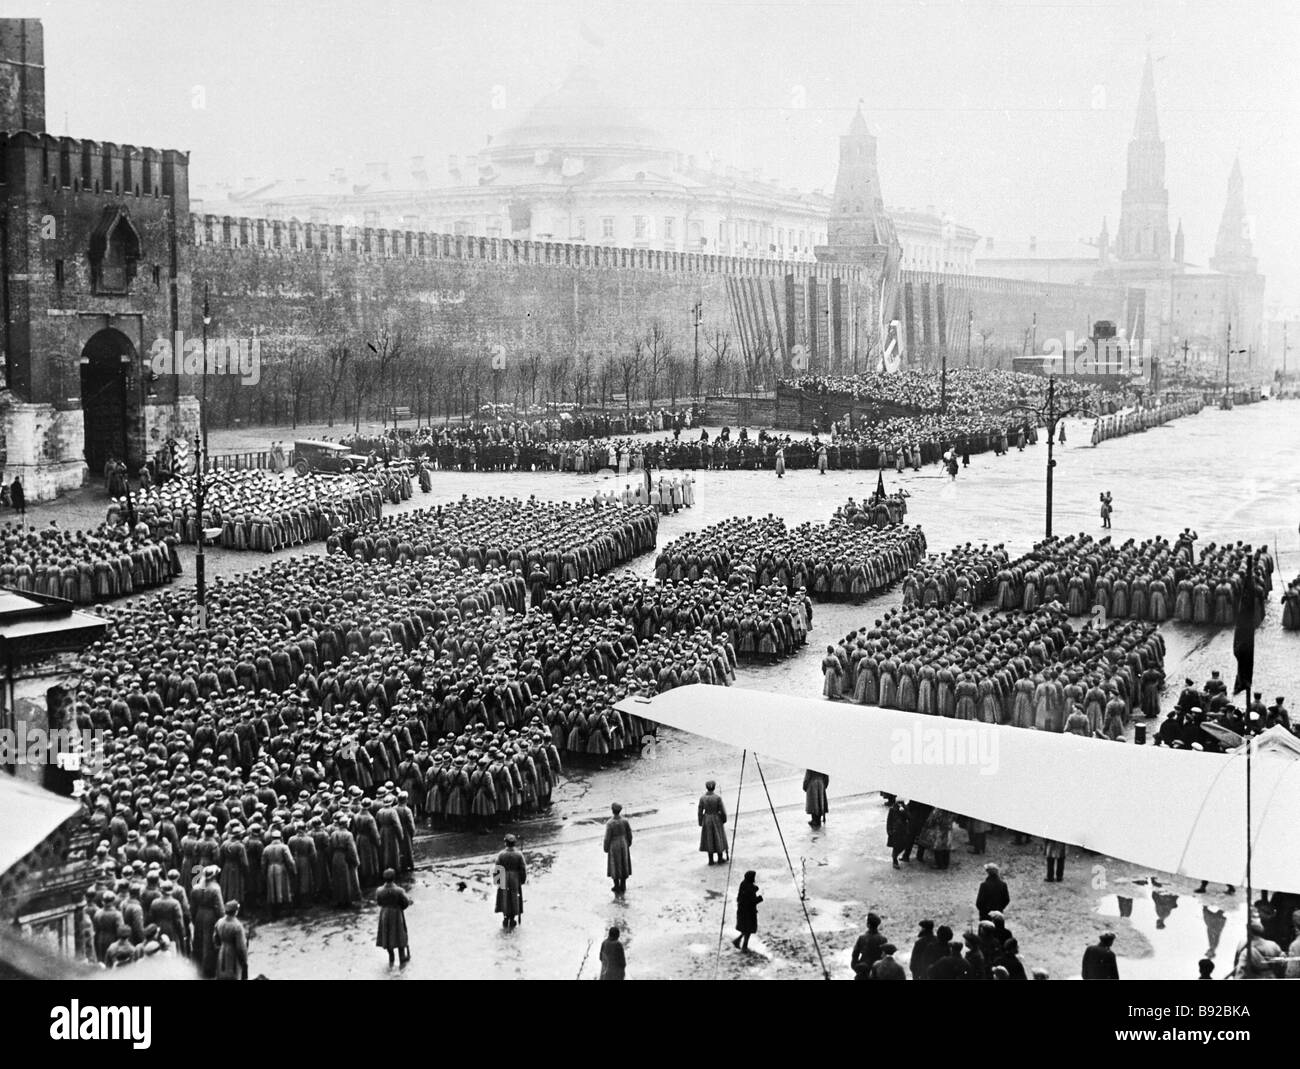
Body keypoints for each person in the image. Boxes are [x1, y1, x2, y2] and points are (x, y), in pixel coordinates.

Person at [376, 868, 412, 967]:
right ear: (394, 878)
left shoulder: (379, 890)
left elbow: (378, 902)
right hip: (396, 914)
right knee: (400, 935)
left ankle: (391, 960)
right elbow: (405, 903)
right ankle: (402, 960)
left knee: (387, 936)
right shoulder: (399, 890)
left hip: (384, 914)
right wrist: (400, 907)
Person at [494, 833, 527, 929]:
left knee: (504, 898)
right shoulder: (519, 854)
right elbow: (523, 869)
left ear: (505, 843)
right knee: (514, 898)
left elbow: (497, 868)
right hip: (515, 879)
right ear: (514, 843)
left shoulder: (501, 855)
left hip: (503, 877)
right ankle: (512, 918)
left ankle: (505, 917)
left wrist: (497, 881)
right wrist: (522, 880)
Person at [214, 900, 249, 980]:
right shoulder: (237, 926)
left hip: (221, 954)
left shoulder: (219, 922)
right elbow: (241, 948)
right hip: (233, 956)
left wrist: (221, 947)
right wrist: (244, 961)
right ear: (235, 912)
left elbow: (215, 939)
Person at [603, 802, 633, 895]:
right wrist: (628, 843)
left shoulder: (610, 823)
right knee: (624, 863)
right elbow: (629, 834)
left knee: (615, 865)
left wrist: (606, 847)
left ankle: (616, 885)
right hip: (623, 844)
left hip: (614, 845)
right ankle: (623, 884)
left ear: (612, 811)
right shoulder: (625, 821)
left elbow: (607, 837)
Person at [698, 780, 728, 865]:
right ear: (714, 787)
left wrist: (700, 822)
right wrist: (724, 819)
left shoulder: (702, 798)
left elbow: (699, 811)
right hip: (716, 818)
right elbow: (722, 810)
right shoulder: (717, 798)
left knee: (709, 839)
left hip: (707, 819)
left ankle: (710, 860)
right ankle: (720, 858)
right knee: (719, 837)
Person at [851, 912, 887, 979]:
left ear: (868, 925)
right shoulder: (883, 939)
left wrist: (857, 968)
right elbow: (885, 958)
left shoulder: (862, 938)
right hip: (877, 972)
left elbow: (854, 956)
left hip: (863, 972)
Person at [733, 870, 762, 951]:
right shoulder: (750, 888)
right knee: (748, 929)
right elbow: (752, 901)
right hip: (749, 912)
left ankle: (738, 941)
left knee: (745, 929)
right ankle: (744, 946)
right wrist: (760, 898)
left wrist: (755, 889)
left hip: (742, 911)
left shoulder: (744, 884)